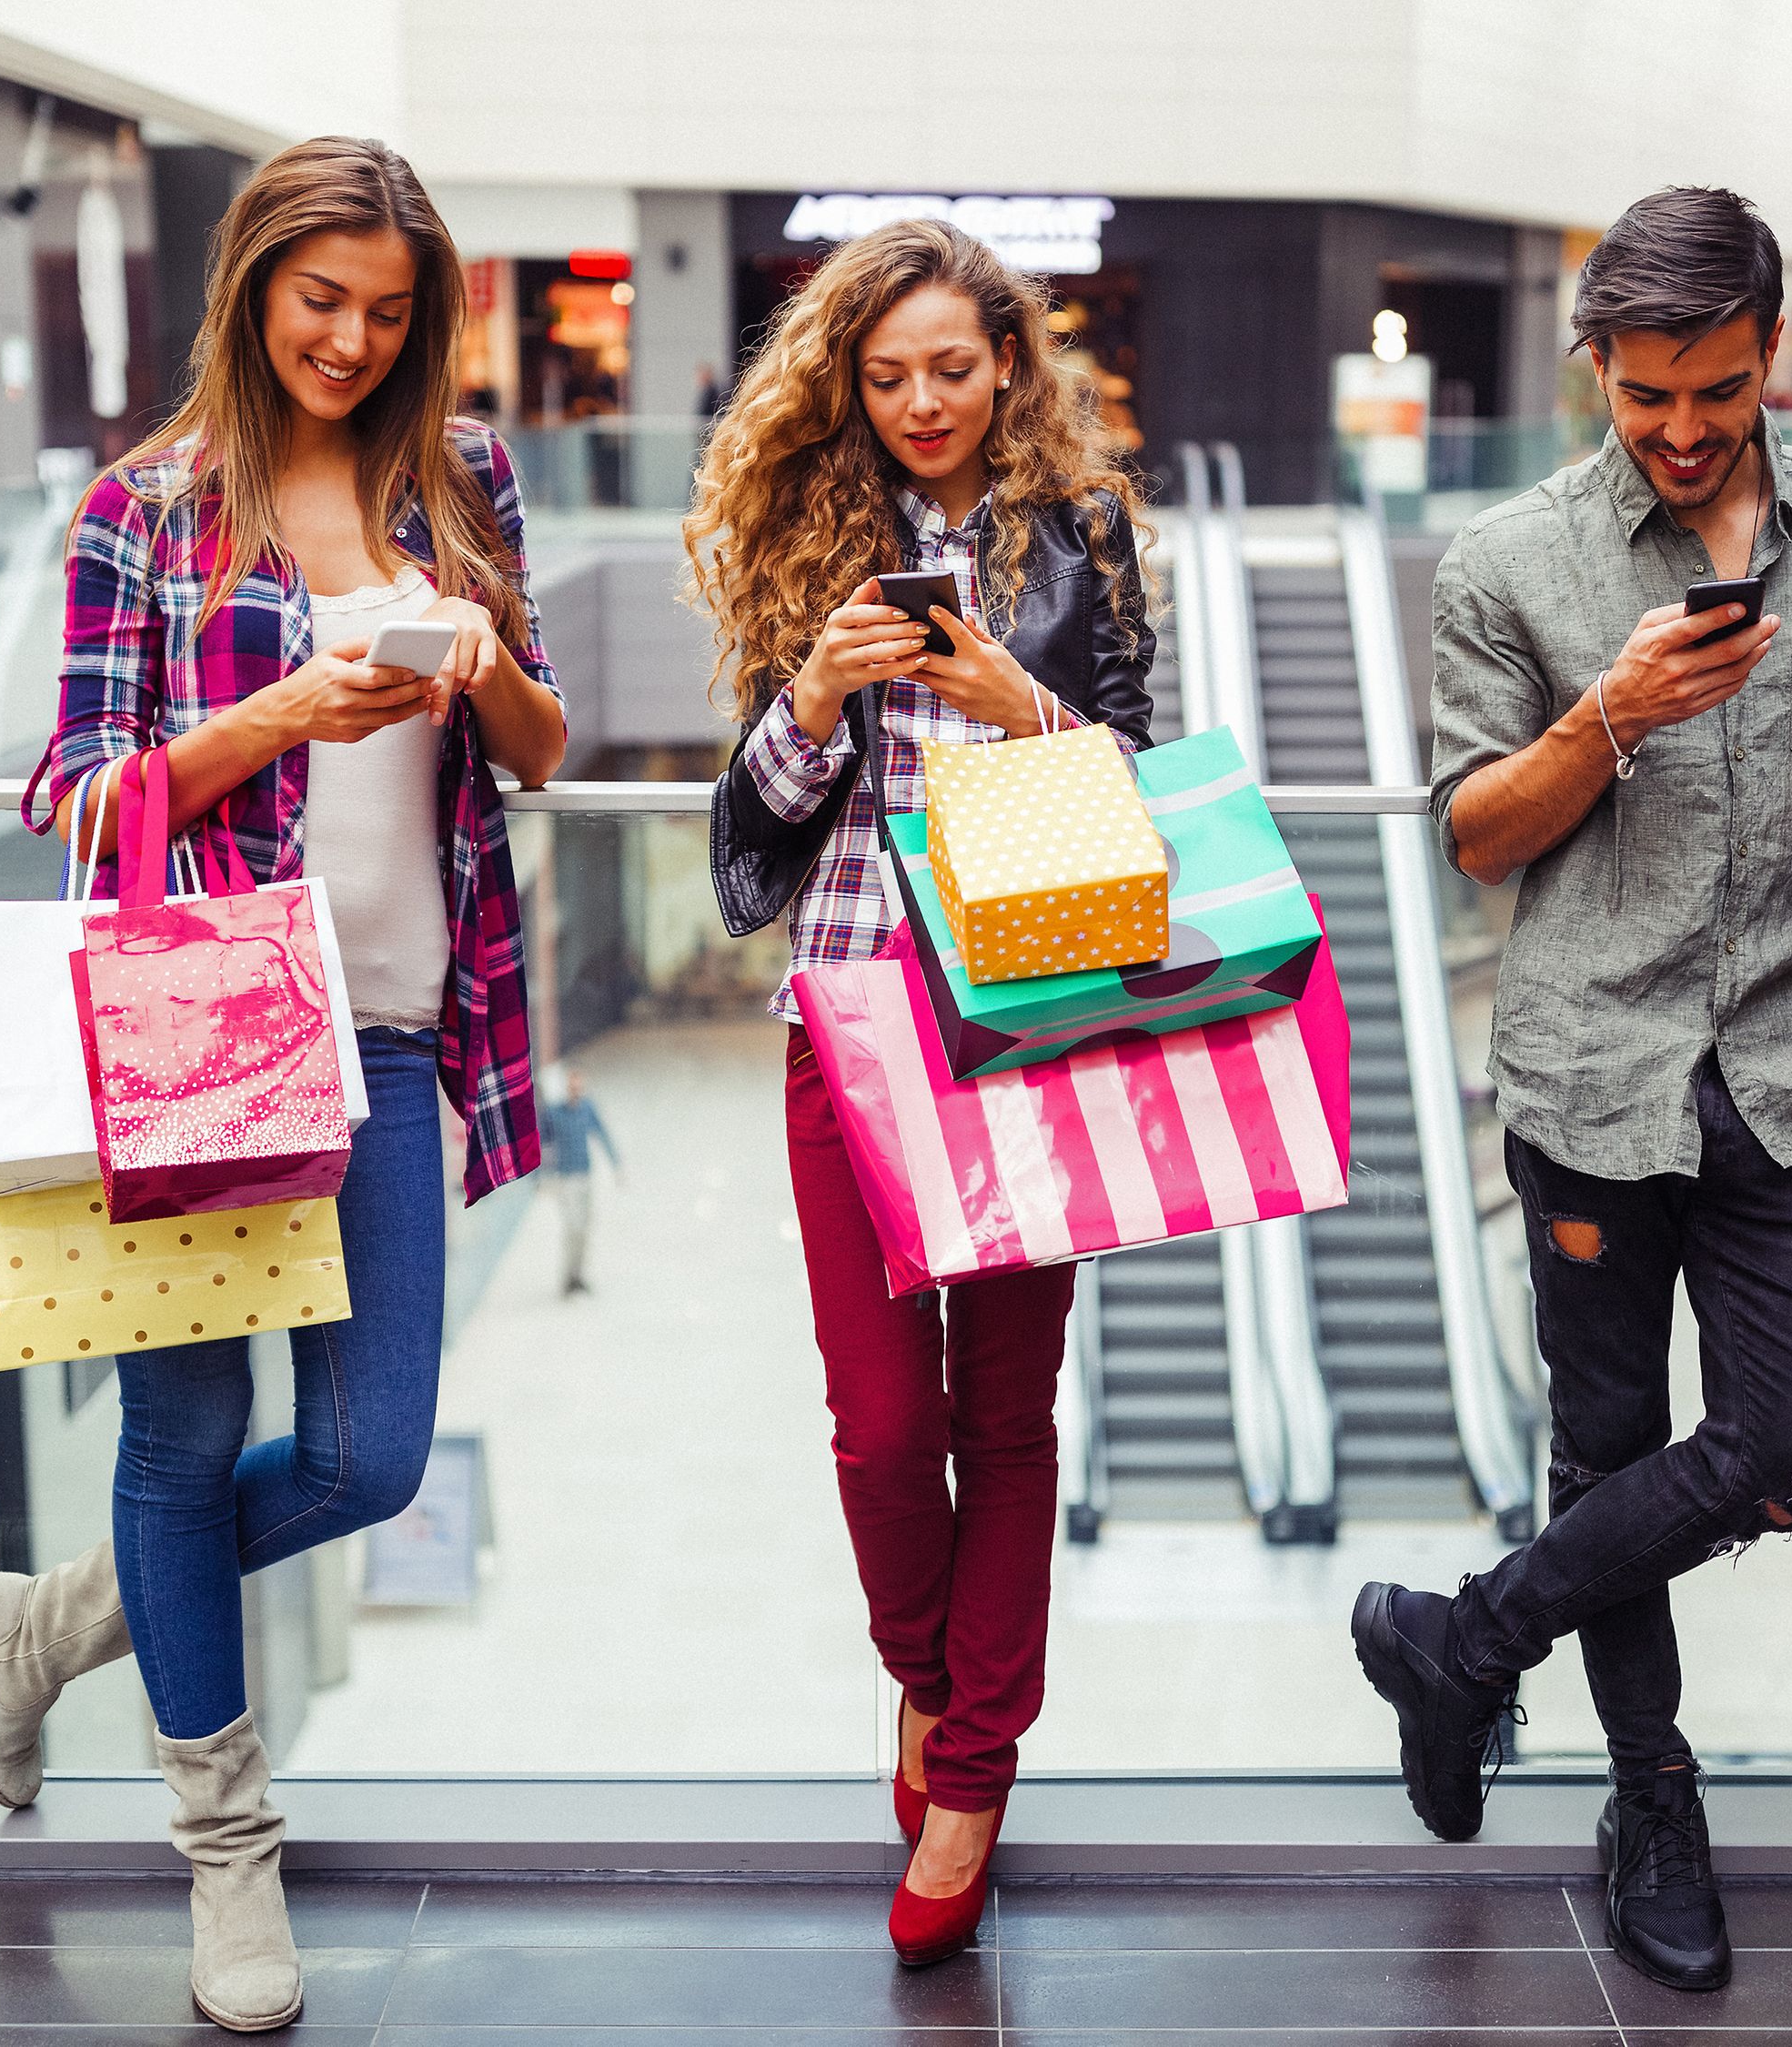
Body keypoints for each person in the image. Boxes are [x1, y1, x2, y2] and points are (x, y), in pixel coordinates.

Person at [0, 136, 562, 2033]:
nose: (353, 342)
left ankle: (40, 1628)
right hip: (203, 1032)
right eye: (322, 304)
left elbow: (535, 746)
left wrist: (475, 666)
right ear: (253, 285)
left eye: (388, 314)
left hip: (390, 1031)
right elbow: (80, 786)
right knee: (183, 1450)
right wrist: (286, 711)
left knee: (374, 1452)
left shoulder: (463, 480)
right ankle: (228, 1854)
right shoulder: (145, 511)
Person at [1349, 186, 1792, 1993]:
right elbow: (1481, 836)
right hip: (1587, 1079)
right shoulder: (1507, 565)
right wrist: (1610, 715)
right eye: (1648, 398)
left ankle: (1461, 1642)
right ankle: (1652, 1798)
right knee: (1609, 1449)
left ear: (1773, 345)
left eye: (1717, 386)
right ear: (1598, 375)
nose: (1688, 428)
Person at [692, 218, 1154, 1967]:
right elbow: (744, 851)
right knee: (883, 1426)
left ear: (1010, 364)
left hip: (1026, 1021)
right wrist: (815, 688)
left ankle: (972, 1769)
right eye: (885, 378)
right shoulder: (801, 533)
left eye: (953, 368)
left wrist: (1007, 692)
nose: (922, 404)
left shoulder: (1082, 532)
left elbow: (1137, 770)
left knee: (1006, 1417)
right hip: (852, 1015)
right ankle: (928, 1681)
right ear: (846, 386)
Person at [539, 1063, 621, 1295]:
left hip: (584, 1174)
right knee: (572, 1227)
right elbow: (542, 1143)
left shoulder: (587, 1108)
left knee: (584, 1228)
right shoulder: (554, 1114)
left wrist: (615, 1162)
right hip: (564, 1178)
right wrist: (541, 1177)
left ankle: (578, 1275)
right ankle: (568, 1276)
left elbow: (601, 1132)